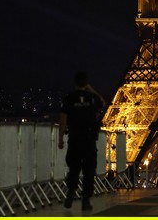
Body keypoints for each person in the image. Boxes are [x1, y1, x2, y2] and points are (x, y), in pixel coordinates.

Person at [59, 71, 106, 212]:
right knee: (89, 171)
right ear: (86, 83)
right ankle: (86, 200)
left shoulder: (68, 99)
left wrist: (61, 139)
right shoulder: (92, 98)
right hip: (89, 139)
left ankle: (71, 191)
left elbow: (63, 121)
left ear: (74, 83)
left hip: (74, 138)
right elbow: (102, 102)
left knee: (73, 168)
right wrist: (89, 88)